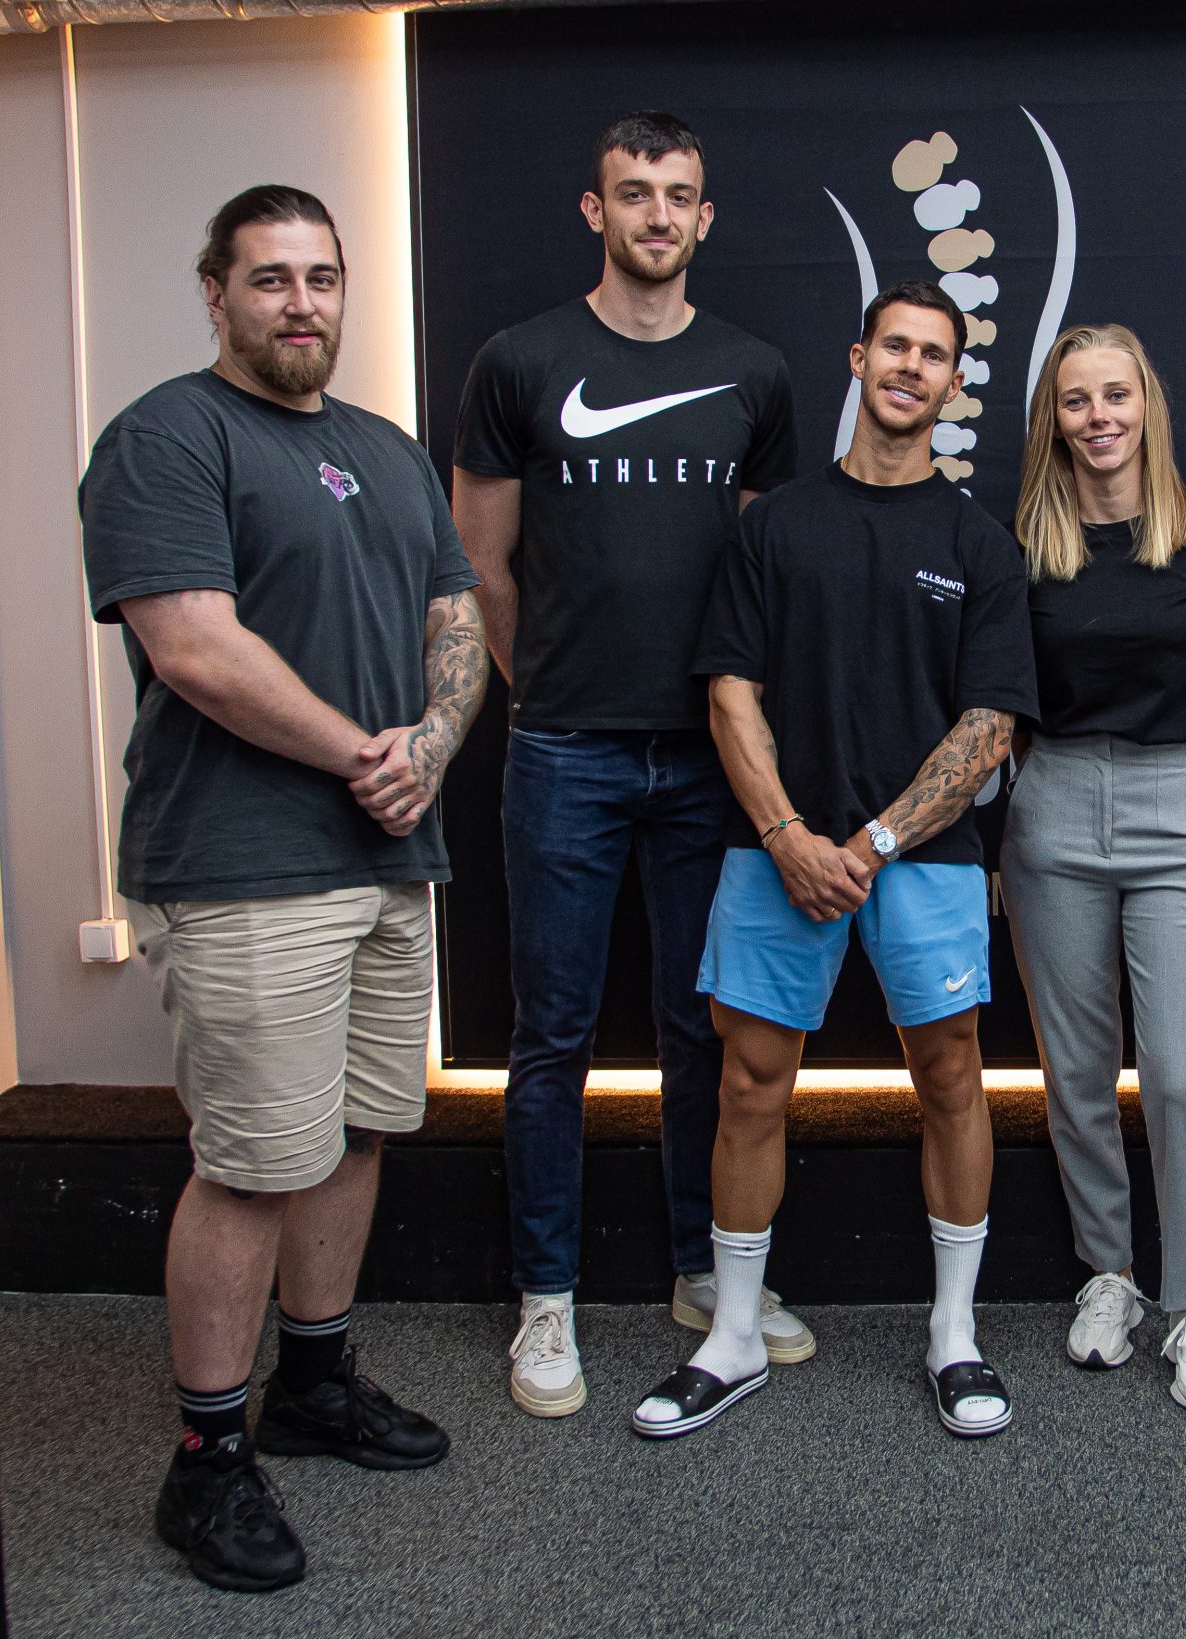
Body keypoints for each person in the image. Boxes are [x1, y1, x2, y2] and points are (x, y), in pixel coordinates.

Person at [80, 185, 485, 1592]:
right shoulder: (166, 438)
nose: (301, 303)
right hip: (245, 865)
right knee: (254, 1162)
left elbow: (453, 616)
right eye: (269, 278)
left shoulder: (385, 449)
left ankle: (312, 1383)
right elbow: (194, 646)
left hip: (386, 857)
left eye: (321, 277)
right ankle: (206, 1460)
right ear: (216, 293)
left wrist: (433, 743)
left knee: (357, 1133)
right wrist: (367, 754)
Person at [633, 278, 1038, 1440]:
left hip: (923, 860)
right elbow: (729, 694)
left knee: (951, 1079)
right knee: (748, 1084)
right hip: (773, 854)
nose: (910, 367)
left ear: (954, 381)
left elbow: (987, 728)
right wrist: (786, 837)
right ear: (857, 358)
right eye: (893, 346)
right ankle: (732, 1335)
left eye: (933, 354)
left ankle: (953, 1332)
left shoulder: (976, 543)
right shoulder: (773, 527)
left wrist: (866, 843)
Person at [452, 111, 807, 1420]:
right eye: (634, 192)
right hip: (564, 750)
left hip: (711, 759)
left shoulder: (754, 372)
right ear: (594, 210)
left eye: (679, 194)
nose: (657, 214)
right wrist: (544, 686)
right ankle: (545, 1298)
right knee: (550, 1032)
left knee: (701, 1027)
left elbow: (763, 580)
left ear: (706, 217)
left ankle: (703, 1269)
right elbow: (478, 561)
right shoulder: (520, 361)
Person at [999, 324, 1186, 1411]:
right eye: (1076, 401)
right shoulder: (1020, 540)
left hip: (1178, 800)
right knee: (1074, 1070)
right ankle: (1108, 1272)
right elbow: (1003, 699)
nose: (1098, 416)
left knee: (1182, 1073)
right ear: (1052, 421)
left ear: (1145, 404)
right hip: (1054, 802)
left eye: (1115, 395)